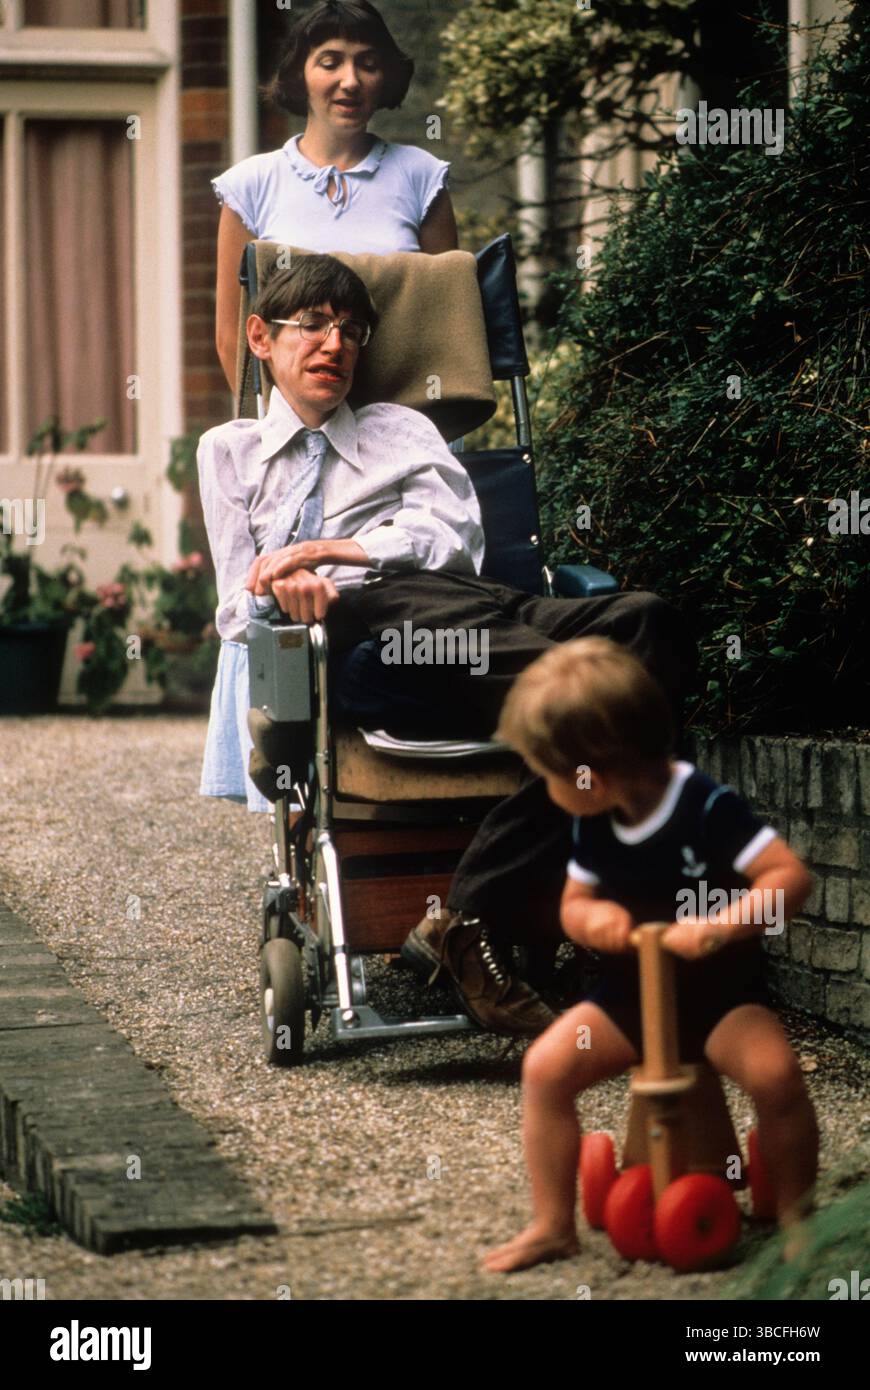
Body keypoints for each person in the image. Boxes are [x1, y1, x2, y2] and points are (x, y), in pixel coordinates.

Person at [198, 252, 699, 1040]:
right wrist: (280, 600)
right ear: (260, 337)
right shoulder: (227, 452)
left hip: (478, 608)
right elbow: (234, 604)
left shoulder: (403, 428)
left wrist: (336, 550)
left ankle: (462, 917)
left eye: (353, 330)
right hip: (369, 644)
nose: (337, 343)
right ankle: (484, 918)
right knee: (621, 702)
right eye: (314, 325)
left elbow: (452, 535)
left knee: (648, 622)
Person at [481, 637, 819, 1273]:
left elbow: (787, 878)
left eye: (548, 776)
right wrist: (594, 918)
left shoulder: (706, 807)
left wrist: (719, 927)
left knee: (776, 1078)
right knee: (546, 1070)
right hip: (628, 999)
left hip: (719, 999)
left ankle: (799, 1217)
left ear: (595, 772)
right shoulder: (595, 818)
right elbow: (574, 904)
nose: (550, 790)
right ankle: (553, 1224)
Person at [213, 0, 457, 393]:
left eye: (368, 64)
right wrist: (274, 433)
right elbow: (231, 336)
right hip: (296, 425)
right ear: (300, 75)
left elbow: (446, 322)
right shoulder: (251, 185)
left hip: (405, 421)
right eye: (330, 62)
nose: (351, 80)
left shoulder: (421, 176)